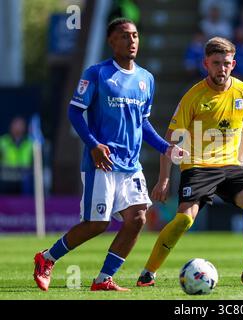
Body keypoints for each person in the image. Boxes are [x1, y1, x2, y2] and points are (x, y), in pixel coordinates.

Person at [33, 18, 186, 292]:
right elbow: (74, 111)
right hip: (101, 163)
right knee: (96, 224)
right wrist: (93, 144)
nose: (132, 41)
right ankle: (46, 258)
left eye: (136, 35)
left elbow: (142, 123)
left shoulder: (146, 79)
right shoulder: (96, 74)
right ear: (111, 41)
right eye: (125, 36)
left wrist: (166, 148)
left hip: (131, 165)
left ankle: (104, 279)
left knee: (138, 218)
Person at [136, 37, 243, 287]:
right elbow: (171, 139)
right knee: (184, 220)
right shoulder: (194, 96)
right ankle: (148, 272)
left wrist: (240, 159)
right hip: (198, 166)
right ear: (205, 64)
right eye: (216, 63)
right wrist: (164, 178)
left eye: (226, 63)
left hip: (230, 166)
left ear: (233, 64)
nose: (221, 69)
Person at [0, 116, 33, 194]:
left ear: (25, 127)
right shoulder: (3, 141)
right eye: (16, 125)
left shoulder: (30, 143)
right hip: (5, 178)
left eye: (20, 125)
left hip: (23, 179)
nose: (18, 127)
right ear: (11, 126)